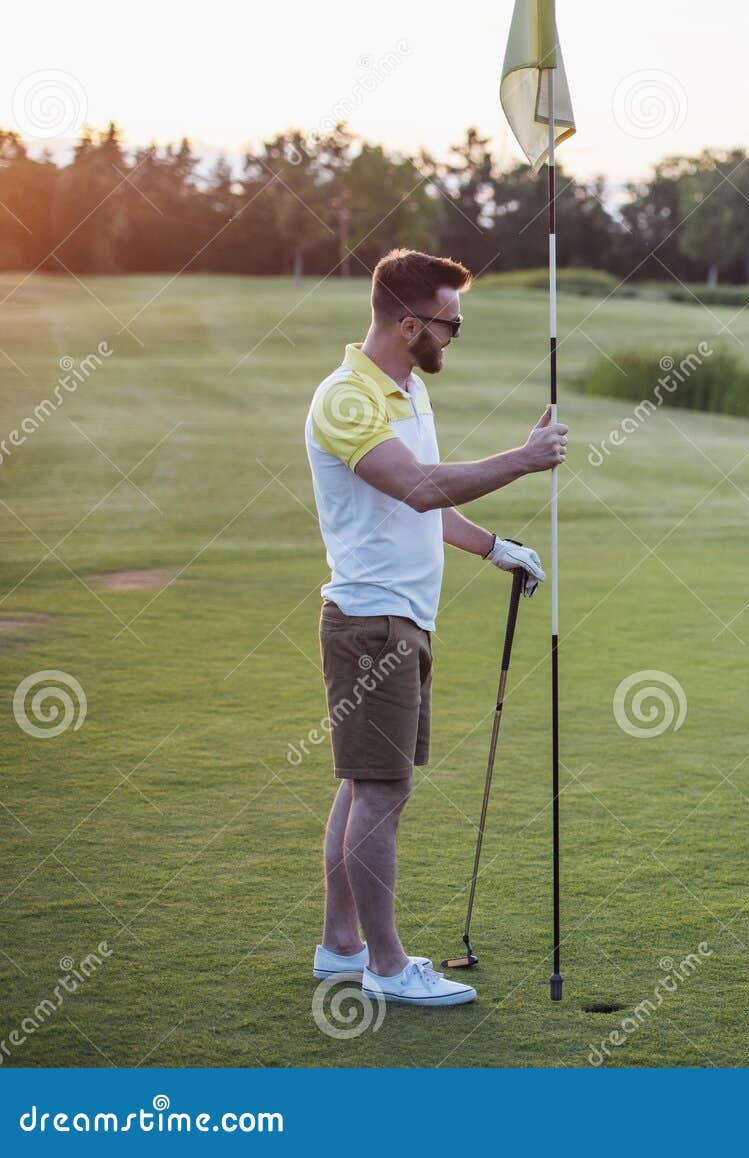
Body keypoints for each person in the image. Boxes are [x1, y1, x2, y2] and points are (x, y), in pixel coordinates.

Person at [304, 249, 568, 1005]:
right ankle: (385, 968)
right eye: (449, 324)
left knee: (365, 787)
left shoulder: (407, 390)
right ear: (410, 321)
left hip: (404, 619)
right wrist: (524, 459)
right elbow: (416, 488)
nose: (455, 337)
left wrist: (496, 548)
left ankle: (340, 945)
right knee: (382, 793)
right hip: (371, 623)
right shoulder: (347, 399)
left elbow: (432, 503)